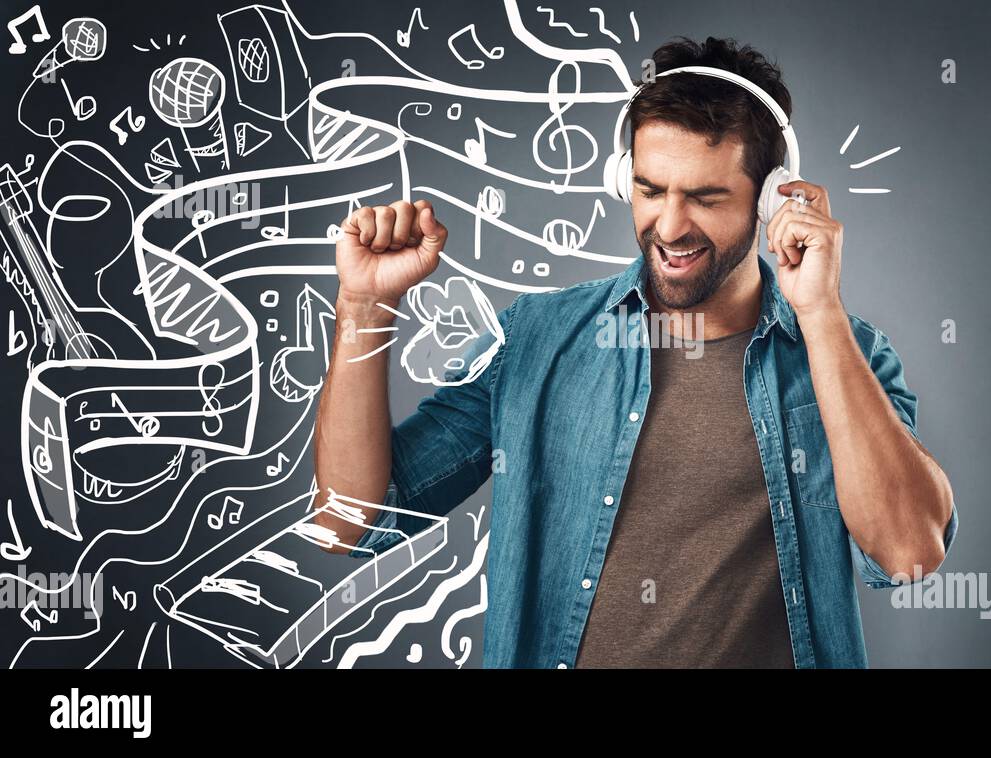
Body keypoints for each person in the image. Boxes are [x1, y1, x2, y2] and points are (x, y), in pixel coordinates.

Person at [311, 36, 957, 668]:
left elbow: (911, 554)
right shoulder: (534, 340)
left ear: (771, 198)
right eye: (650, 190)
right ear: (624, 180)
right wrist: (364, 309)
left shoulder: (846, 353)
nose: (671, 227)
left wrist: (819, 313)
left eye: (706, 198)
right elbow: (350, 523)